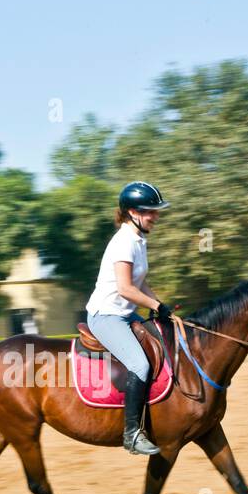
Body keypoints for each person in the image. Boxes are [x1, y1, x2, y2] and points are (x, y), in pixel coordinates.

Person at [84, 181, 179, 456]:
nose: (156, 216)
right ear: (132, 212)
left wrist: (161, 306)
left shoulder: (139, 240)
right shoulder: (124, 242)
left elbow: (141, 282)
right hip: (107, 316)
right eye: (150, 211)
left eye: (156, 211)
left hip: (126, 313)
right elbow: (126, 289)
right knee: (140, 365)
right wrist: (154, 305)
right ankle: (132, 434)